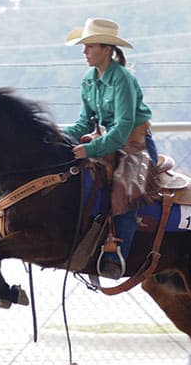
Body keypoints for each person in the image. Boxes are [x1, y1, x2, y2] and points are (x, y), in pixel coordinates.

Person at [64, 17, 159, 279]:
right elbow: (84, 121)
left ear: (107, 49)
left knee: (123, 191)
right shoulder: (88, 79)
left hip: (135, 143)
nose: (84, 52)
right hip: (108, 140)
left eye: (90, 46)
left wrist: (90, 150)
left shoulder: (123, 79)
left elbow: (123, 126)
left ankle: (115, 255)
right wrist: (58, 137)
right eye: (84, 47)